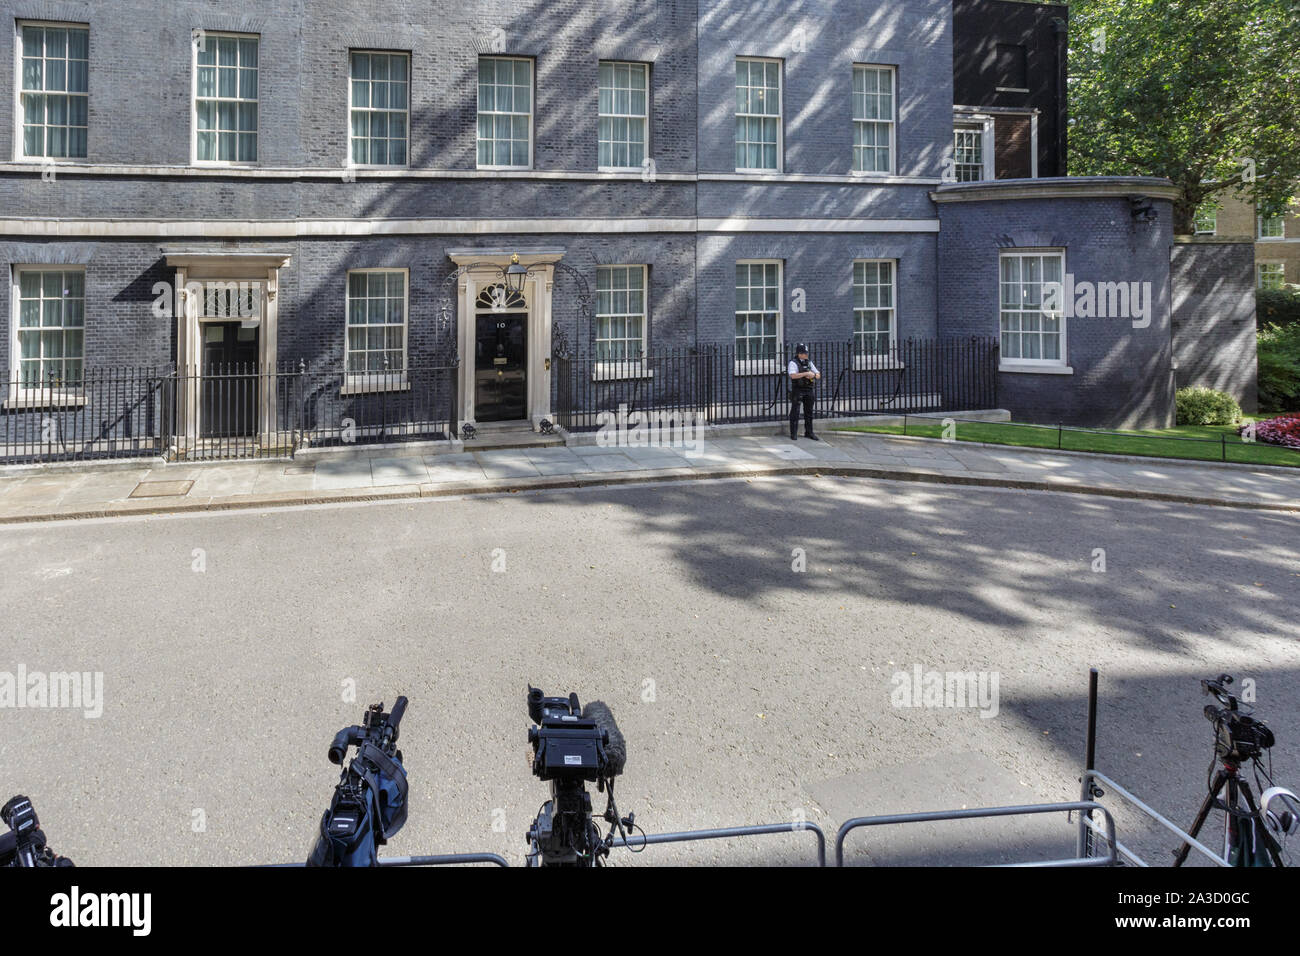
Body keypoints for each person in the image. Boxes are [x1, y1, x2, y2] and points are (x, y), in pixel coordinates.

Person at [787, 343, 820, 441]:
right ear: (799, 354)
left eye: (806, 353)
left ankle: (809, 432)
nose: (806, 355)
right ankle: (793, 433)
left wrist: (813, 375)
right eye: (804, 353)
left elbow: (818, 374)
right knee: (795, 412)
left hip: (809, 389)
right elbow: (792, 375)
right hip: (798, 390)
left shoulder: (809, 362)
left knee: (809, 412)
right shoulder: (793, 363)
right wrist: (806, 373)